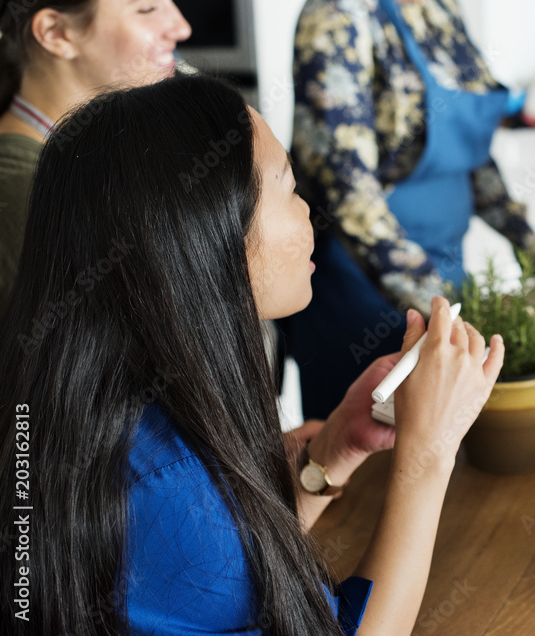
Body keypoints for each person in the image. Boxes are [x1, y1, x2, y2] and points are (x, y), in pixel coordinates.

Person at [0, 74, 504, 635]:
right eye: (289, 189)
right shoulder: (168, 489)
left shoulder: (107, 409)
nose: (309, 210)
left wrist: (334, 450)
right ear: (208, 234)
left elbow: (235, 576)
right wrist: (429, 456)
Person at [283, 0, 535, 419]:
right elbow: (347, 192)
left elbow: (468, 145)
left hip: (445, 277)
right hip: (363, 293)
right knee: (367, 457)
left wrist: (530, 241)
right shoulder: (337, 12)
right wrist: (439, 307)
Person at [0, 0, 191, 303]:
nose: (181, 27)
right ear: (56, 33)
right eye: (147, 8)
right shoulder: (22, 191)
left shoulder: (103, 149)